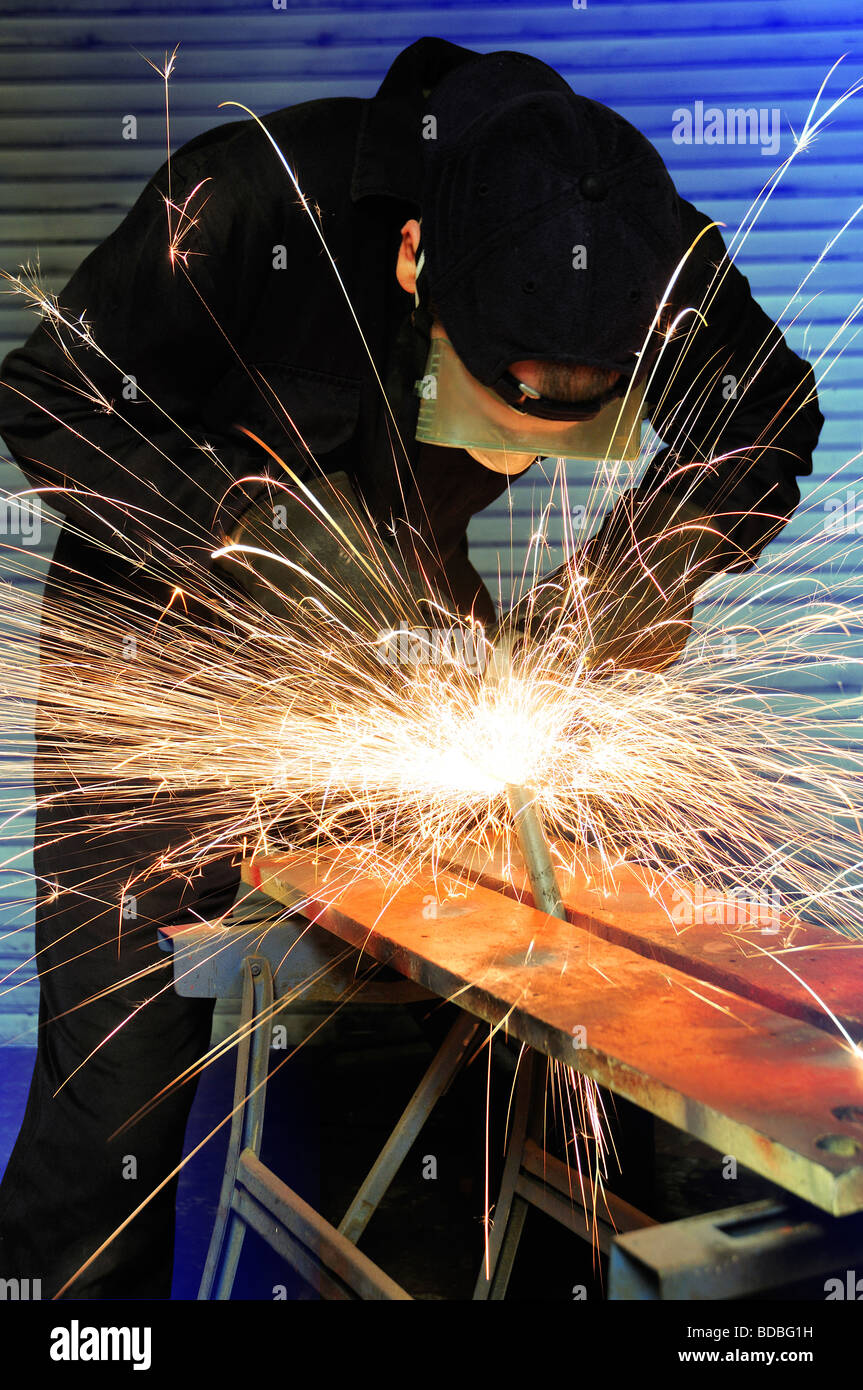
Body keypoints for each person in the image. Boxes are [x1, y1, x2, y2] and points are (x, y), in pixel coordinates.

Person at [0, 36, 822, 1298]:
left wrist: (625, 584)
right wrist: (228, 528)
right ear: (413, 262)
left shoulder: (647, 246)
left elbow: (766, 423)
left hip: (402, 633)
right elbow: (49, 392)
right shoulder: (254, 196)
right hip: (164, 650)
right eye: (498, 407)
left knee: (433, 1004)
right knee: (114, 1091)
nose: (522, 459)